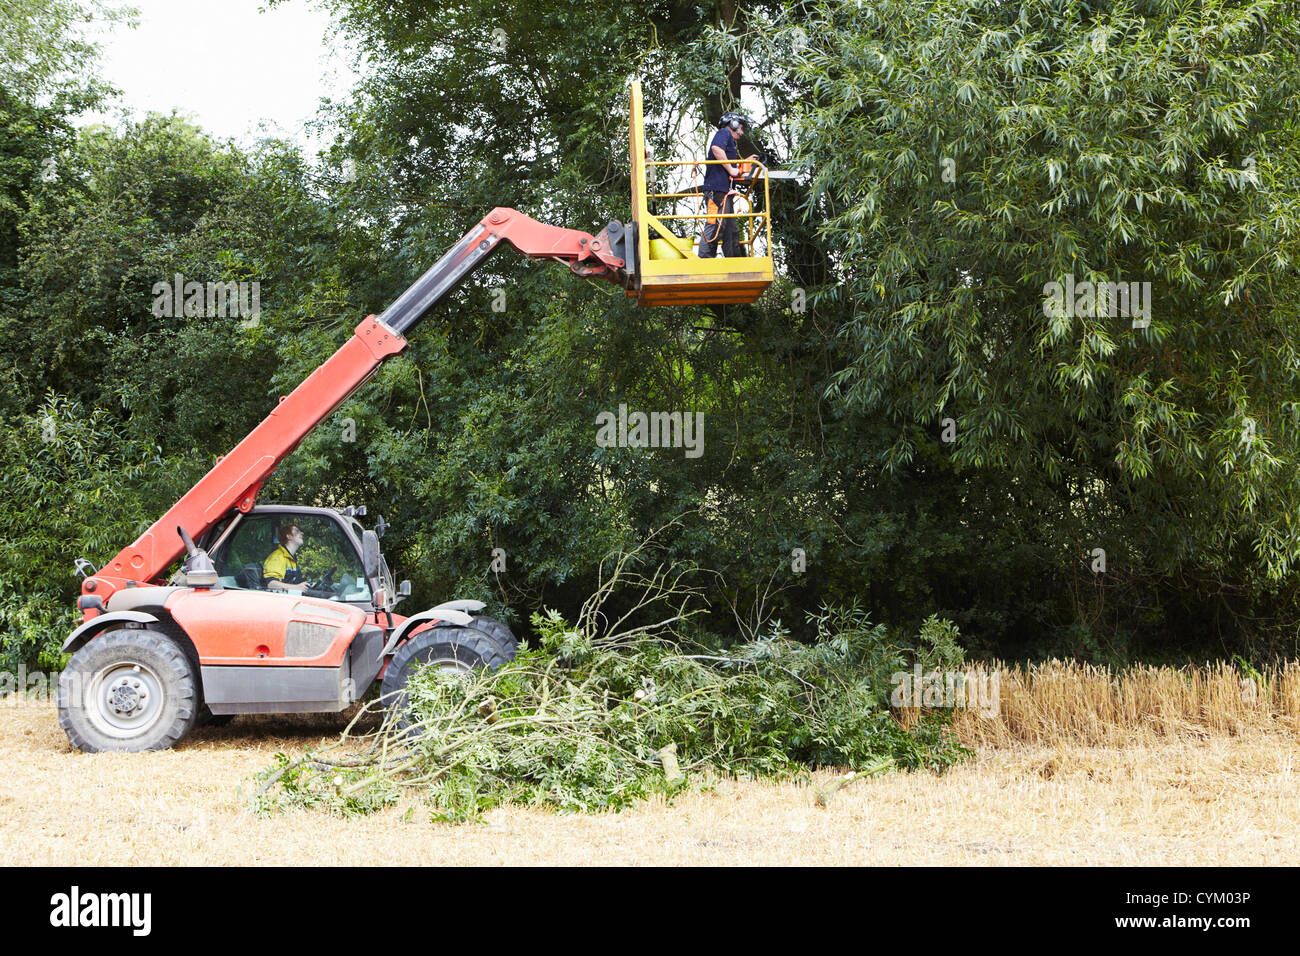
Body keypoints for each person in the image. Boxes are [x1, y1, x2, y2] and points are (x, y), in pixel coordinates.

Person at [698, 110, 757, 258]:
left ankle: (735, 260)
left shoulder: (729, 141)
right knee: (716, 223)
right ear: (734, 124)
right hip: (716, 190)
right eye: (741, 128)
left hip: (724, 191)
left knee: (730, 229)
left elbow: (727, 162)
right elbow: (716, 149)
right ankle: (705, 258)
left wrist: (743, 163)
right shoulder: (724, 133)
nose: (742, 133)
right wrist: (731, 169)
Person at [263, 523, 305, 592]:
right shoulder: (277, 557)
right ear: (289, 536)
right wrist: (296, 587)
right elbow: (271, 584)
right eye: (297, 531)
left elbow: (297, 582)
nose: (302, 533)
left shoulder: (291, 559)